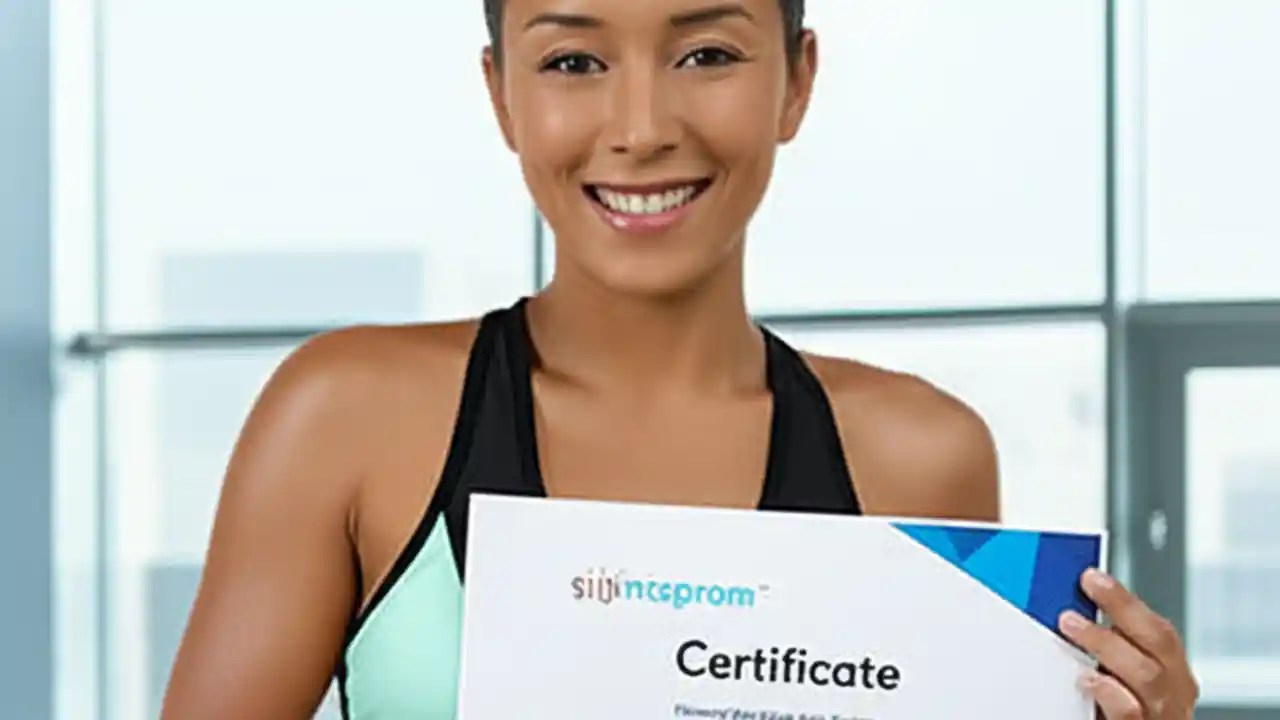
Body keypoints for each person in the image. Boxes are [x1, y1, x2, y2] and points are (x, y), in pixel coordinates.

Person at [160, 0, 1200, 717]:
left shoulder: (920, 454)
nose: (642, 127)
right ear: (501, 94)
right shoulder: (347, 417)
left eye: (705, 53)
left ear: (795, 80)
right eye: (573, 61)